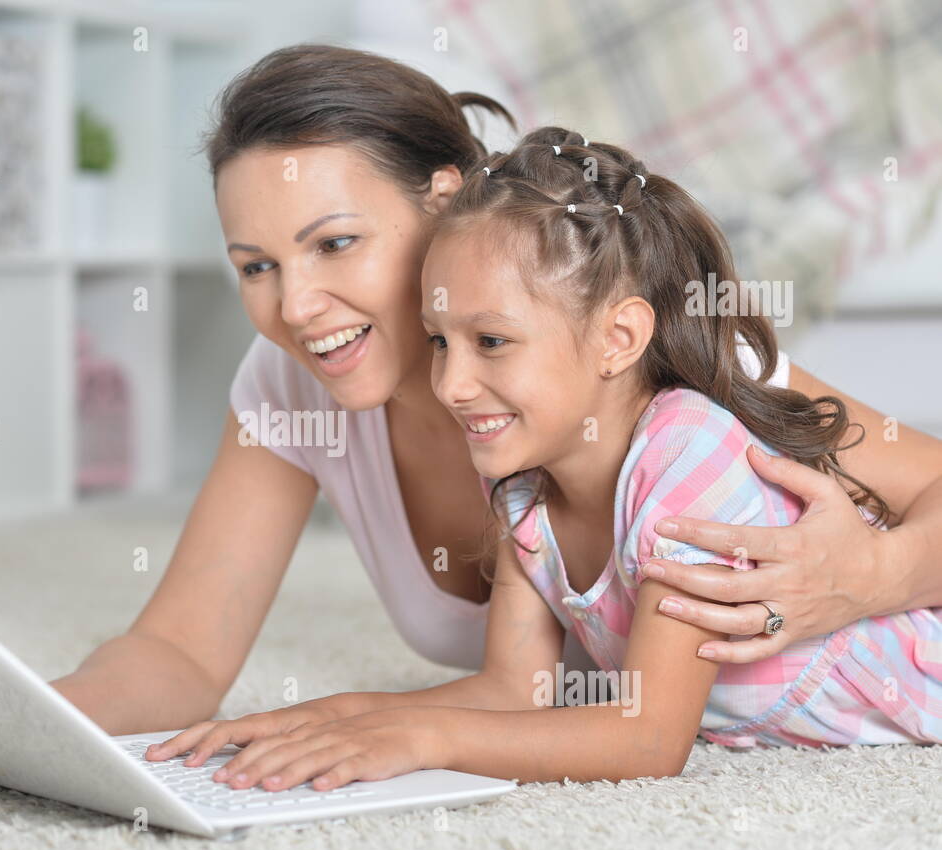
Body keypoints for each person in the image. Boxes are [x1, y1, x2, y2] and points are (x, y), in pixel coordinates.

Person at [0, 45, 942, 784]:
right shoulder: (293, 396)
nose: (296, 307)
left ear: (447, 203)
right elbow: (177, 648)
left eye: (335, 244)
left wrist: (876, 575)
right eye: (253, 264)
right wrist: (3, 724)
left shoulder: (653, 390)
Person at [146, 126, 941, 790]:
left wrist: (422, 739)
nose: (453, 383)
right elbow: (511, 691)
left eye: (491, 342)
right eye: (439, 342)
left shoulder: (686, 454)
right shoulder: (522, 493)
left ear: (619, 338)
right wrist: (333, 715)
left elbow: (649, 736)